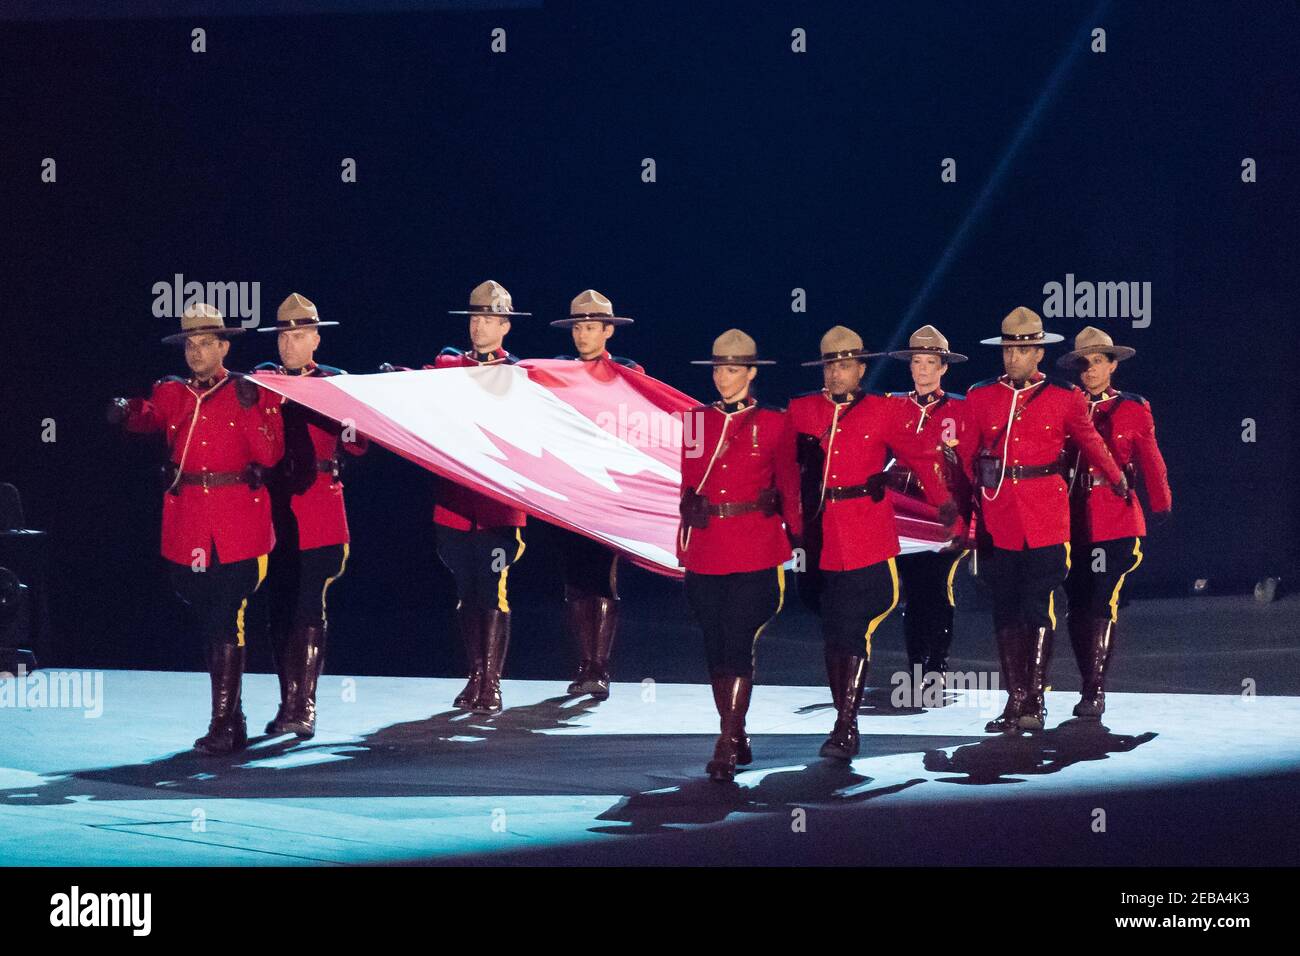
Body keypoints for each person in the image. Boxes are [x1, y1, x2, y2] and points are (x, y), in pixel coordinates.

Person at [108, 303, 284, 754]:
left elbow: (269, 455)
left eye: (206, 343)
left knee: (226, 618)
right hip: (189, 525)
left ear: (224, 346)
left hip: (238, 523)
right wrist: (126, 410)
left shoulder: (249, 391)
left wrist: (250, 409)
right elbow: (148, 415)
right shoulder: (174, 394)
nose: (196, 351)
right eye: (190, 343)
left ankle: (224, 724)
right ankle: (235, 718)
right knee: (211, 620)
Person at [785, 326, 958, 760]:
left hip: (867, 533)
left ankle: (846, 722)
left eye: (846, 365)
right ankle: (844, 715)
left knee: (856, 627)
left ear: (862, 369)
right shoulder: (801, 410)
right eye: (830, 365)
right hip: (820, 537)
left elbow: (923, 458)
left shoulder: (885, 411)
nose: (837, 373)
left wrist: (947, 510)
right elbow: (779, 469)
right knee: (833, 631)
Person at [957, 307, 1127, 733]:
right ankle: (1014, 698)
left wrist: (1117, 478)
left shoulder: (1063, 396)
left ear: (1038, 352)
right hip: (998, 514)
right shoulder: (980, 396)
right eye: (1008, 349)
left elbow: (1090, 443)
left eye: (1023, 349)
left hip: (1046, 515)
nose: (1013, 358)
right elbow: (965, 457)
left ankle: (1034, 697)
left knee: (1036, 604)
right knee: (1005, 609)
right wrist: (961, 509)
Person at [678, 329, 800, 782]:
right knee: (715, 643)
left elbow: (788, 483)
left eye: (733, 370)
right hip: (707, 546)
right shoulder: (693, 420)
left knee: (738, 642)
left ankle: (727, 742)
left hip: (755, 544)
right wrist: (683, 540)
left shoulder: (775, 422)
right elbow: (689, 486)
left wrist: (800, 538)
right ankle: (736, 729)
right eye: (718, 369)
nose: (723, 378)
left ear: (751, 373)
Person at [253, 293, 368, 739]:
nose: (288, 343)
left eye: (298, 335)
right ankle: (287, 702)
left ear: (316, 339)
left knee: (308, 606)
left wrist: (336, 409)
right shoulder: (263, 380)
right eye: (283, 335)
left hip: (319, 509)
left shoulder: (334, 382)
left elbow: (359, 444)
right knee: (277, 609)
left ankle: (305, 706)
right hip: (273, 511)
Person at [1058, 327, 1172, 719]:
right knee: (1076, 602)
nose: (1089, 370)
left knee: (1100, 598)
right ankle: (1087, 678)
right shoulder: (1060, 403)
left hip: (1113, 518)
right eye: (1082, 363)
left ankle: (1095, 689)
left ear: (1112, 364)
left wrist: (1160, 501)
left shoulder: (1132, 407)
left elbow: (1150, 458)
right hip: (1068, 519)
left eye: (1097, 361)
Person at [431, 280, 530, 715]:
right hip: (454, 505)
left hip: (498, 509)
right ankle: (474, 675)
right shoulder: (446, 369)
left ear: (505, 325)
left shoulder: (521, 377)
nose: (479, 327)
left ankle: (491, 681)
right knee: (466, 591)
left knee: (493, 589)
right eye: (474, 319)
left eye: (488, 319)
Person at [550, 289, 642, 699]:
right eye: (578, 328)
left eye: (591, 327)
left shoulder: (627, 371)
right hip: (570, 488)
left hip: (607, 488)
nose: (583, 335)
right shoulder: (558, 372)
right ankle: (583, 663)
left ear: (608, 330)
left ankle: (600, 667)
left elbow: (640, 424)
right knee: (574, 581)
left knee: (602, 578)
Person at [885, 325, 973, 705]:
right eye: (917, 363)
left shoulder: (961, 409)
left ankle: (935, 670)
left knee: (936, 589)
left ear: (943, 368)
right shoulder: (892, 407)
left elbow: (971, 467)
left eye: (930, 363)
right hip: (903, 516)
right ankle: (917, 670)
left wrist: (970, 520)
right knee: (912, 593)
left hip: (944, 514)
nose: (922, 370)